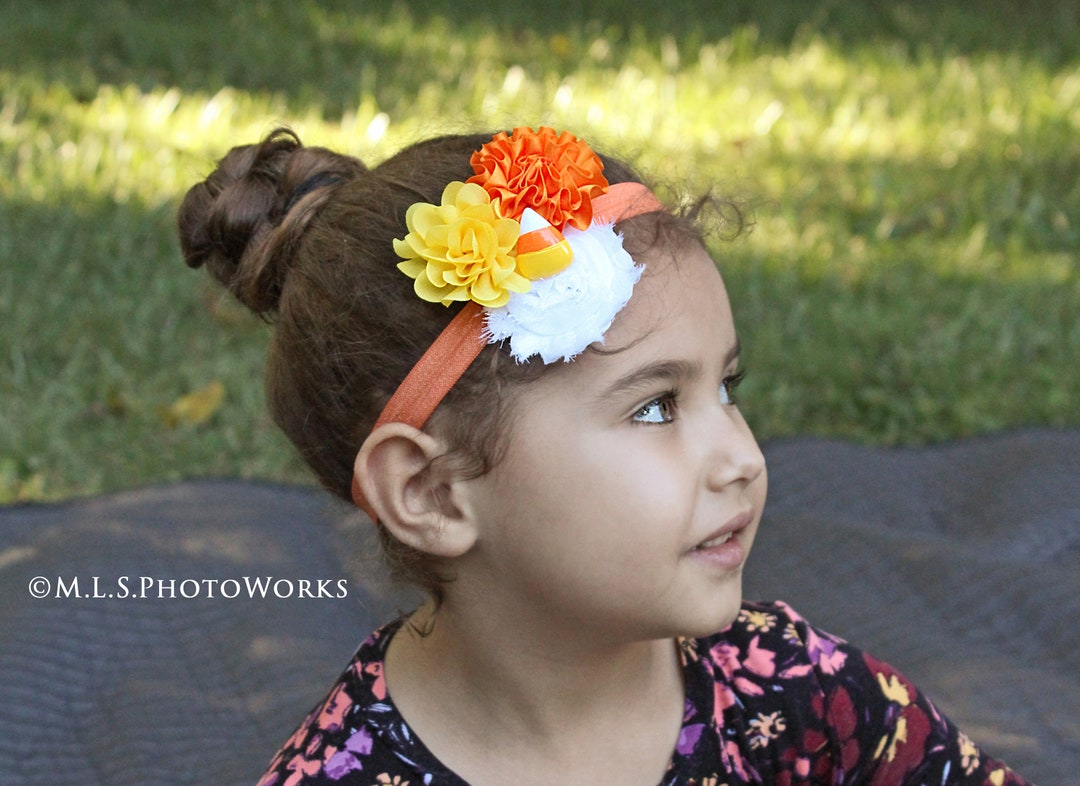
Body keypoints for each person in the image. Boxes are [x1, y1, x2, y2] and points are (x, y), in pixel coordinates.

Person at [178, 126, 1031, 785]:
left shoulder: (790, 691)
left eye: (725, 387)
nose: (741, 457)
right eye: (656, 405)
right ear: (433, 492)